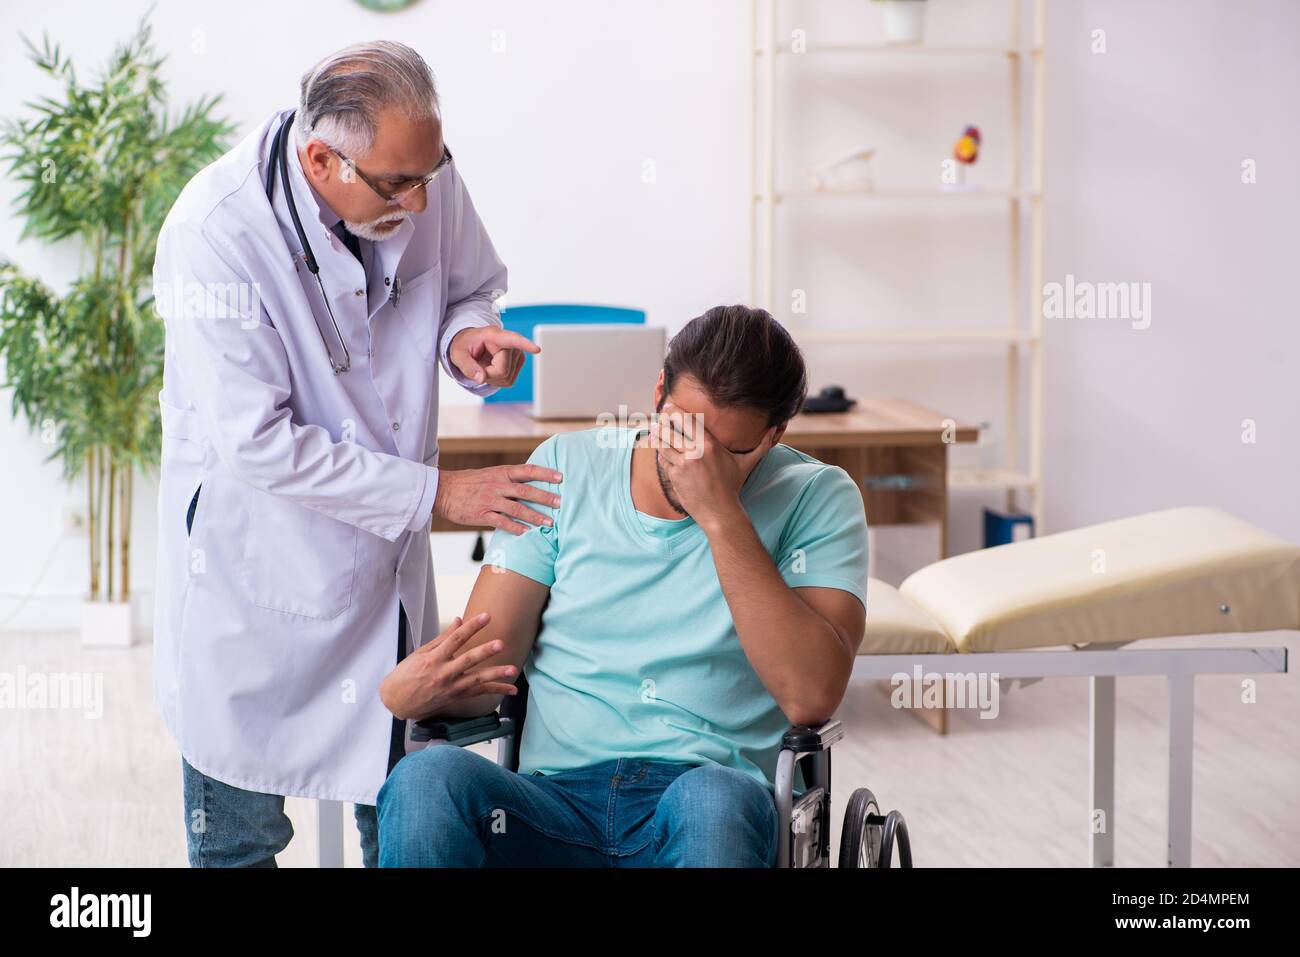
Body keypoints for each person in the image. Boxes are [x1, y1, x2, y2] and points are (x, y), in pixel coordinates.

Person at [153, 41, 554, 867]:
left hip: (382, 571)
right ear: (319, 158)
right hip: (255, 566)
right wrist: (439, 496)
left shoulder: (418, 172)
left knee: (402, 811)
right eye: (397, 185)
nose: (418, 199)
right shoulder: (215, 231)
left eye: (430, 174)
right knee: (239, 838)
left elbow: (470, 283)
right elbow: (257, 444)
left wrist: (467, 337)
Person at [377, 305, 869, 867]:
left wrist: (721, 515)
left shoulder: (817, 496)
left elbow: (810, 696)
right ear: (659, 392)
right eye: (682, 430)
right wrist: (411, 693)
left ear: (774, 435)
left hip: (704, 795)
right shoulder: (565, 465)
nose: (693, 461)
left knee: (714, 799)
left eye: (728, 452)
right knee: (427, 777)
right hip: (554, 799)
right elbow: (490, 673)